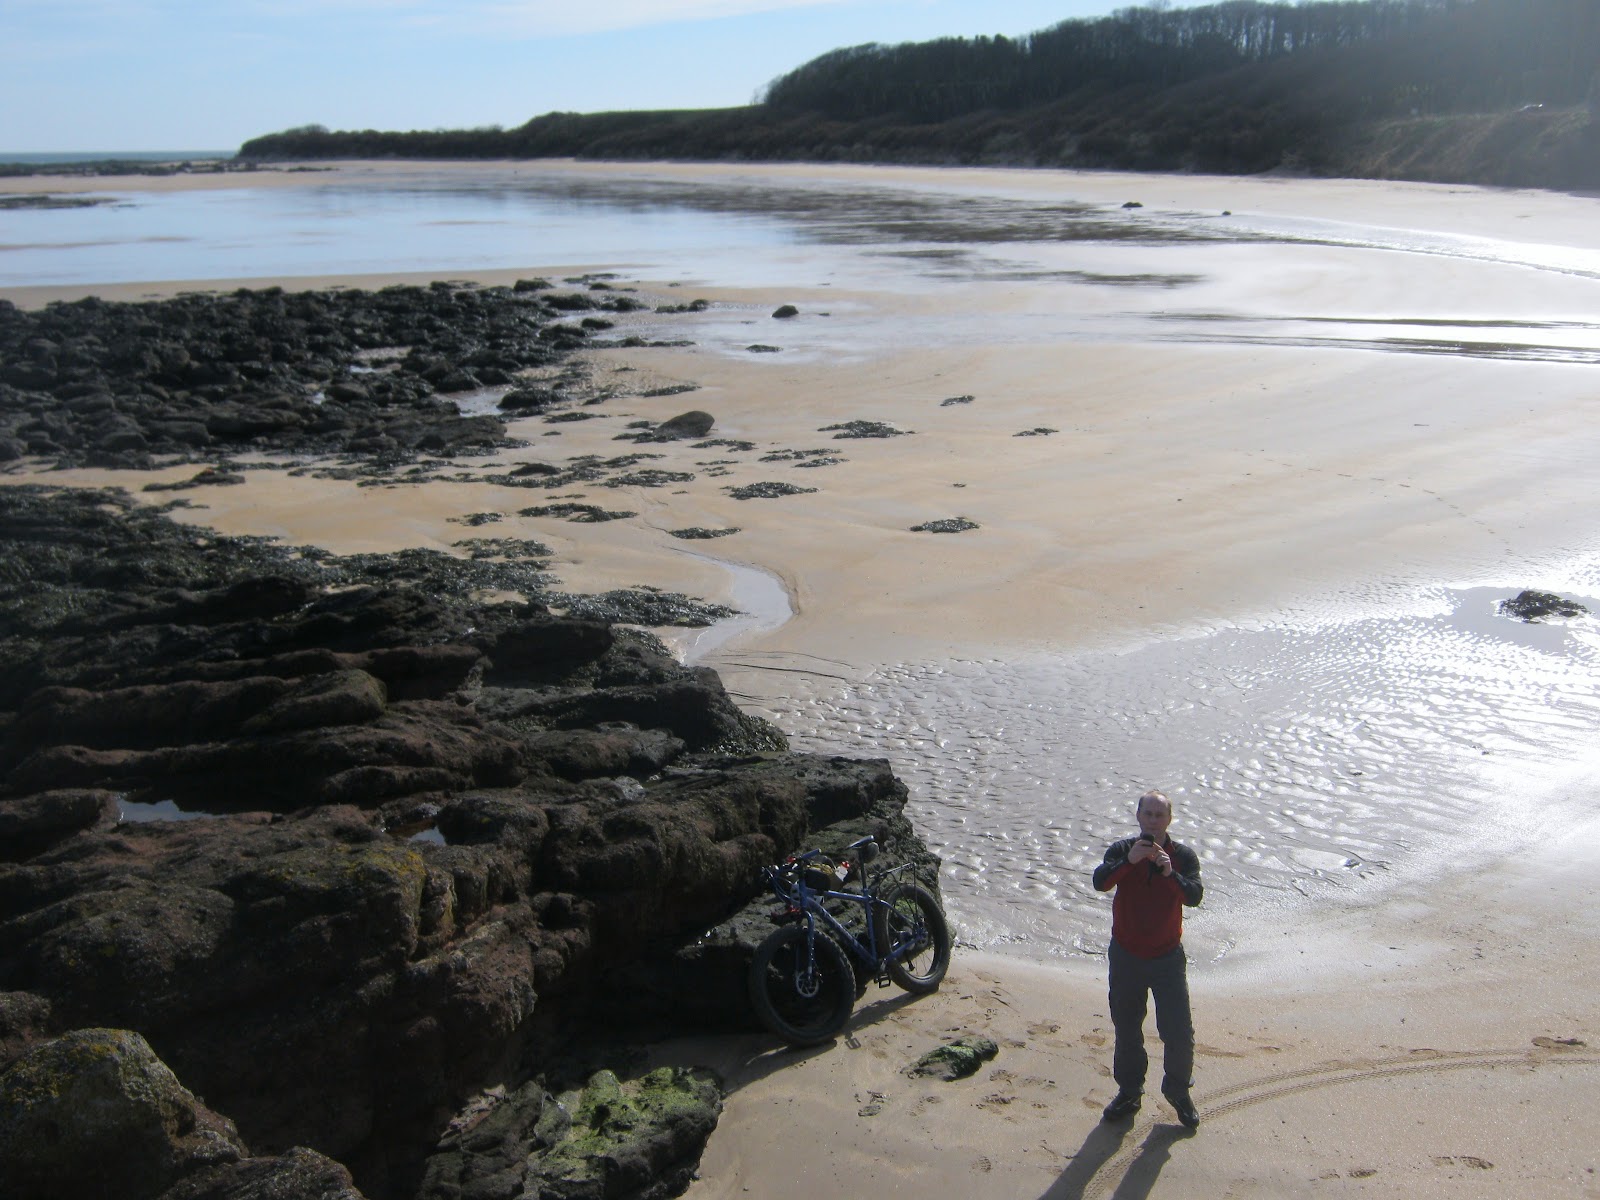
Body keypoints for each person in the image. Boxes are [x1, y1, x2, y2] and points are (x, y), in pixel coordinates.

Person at [1092, 789, 1203, 1128]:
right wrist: (1130, 862)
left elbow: (1194, 896)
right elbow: (1100, 882)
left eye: (1160, 815)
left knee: (1179, 1032)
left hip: (1167, 957)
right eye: (1148, 814)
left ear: (1169, 820)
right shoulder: (1123, 850)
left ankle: (1178, 1092)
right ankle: (1129, 1092)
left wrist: (1170, 874)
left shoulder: (1182, 856)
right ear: (1138, 817)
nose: (1154, 820)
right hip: (1127, 956)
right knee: (1127, 1029)